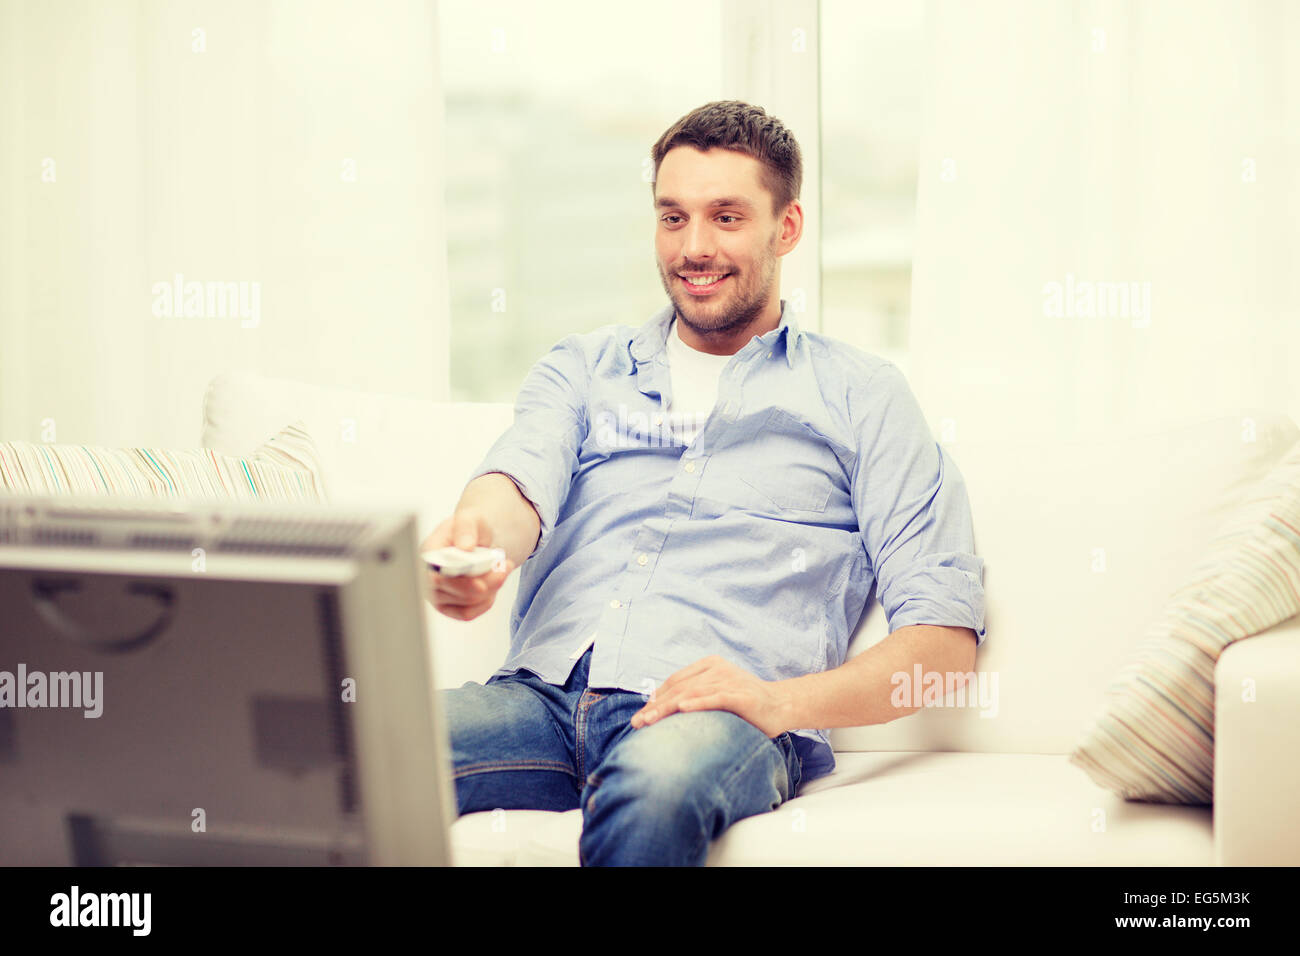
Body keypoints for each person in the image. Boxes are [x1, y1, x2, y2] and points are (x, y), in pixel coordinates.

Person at [422, 100, 986, 866]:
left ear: (786, 228)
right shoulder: (586, 368)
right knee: (347, 748)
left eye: (726, 217)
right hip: (539, 699)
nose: (694, 247)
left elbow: (944, 646)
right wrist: (476, 545)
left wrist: (779, 705)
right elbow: (517, 484)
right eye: (673, 217)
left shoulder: (863, 396)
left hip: (715, 718)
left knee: (655, 786)